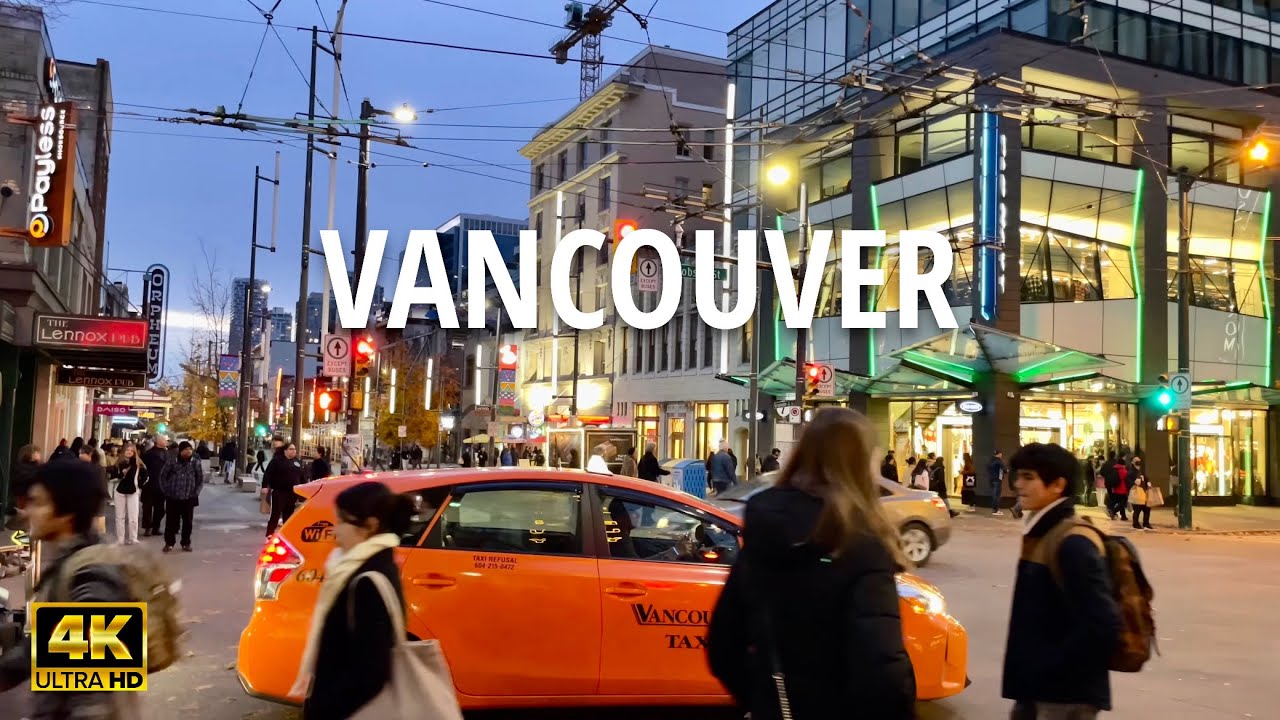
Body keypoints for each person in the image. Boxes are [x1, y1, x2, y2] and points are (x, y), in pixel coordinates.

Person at [707, 408, 916, 719]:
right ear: (860, 462)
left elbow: (723, 644)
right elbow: (882, 669)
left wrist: (763, 699)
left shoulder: (764, 529)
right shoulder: (860, 541)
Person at [0, 459, 142, 719]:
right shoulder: (71, 563)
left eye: (39, 503)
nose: (28, 511)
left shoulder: (94, 575)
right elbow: (46, 645)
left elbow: (94, 688)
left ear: (66, 514)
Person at [1003, 443, 1121, 719]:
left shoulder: (1072, 542)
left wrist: (1048, 666)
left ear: (1057, 484)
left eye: (1028, 477)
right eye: (1018, 476)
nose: (1018, 485)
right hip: (1041, 691)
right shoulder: (1044, 532)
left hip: (1063, 698)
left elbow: (1103, 624)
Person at [290, 481, 414, 720]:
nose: (336, 530)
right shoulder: (355, 566)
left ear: (369, 526)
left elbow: (372, 672)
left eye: (342, 521)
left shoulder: (368, 579)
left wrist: (326, 708)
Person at [159, 441, 203, 552]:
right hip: (173, 497)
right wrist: (166, 491)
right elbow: (163, 476)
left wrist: (195, 492)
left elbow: (200, 479)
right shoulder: (172, 462)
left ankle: (186, 542)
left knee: (187, 522)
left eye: (190, 449)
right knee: (171, 522)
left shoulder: (195, 463)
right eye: (185, 449)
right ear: (180, 450)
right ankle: (169, 543)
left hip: (189, 497)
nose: (188, 452)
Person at [264, 443, 305, 536]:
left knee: (288, 516)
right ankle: (269, 534)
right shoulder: (277, 461)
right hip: (279, 492)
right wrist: (264, 486)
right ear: (285, 451)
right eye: (291, 449)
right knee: (275, 515)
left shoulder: (297, 462)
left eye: (294, 449)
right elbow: (268, 474)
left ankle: (286, 536)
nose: (293, 451)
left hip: (292, 493)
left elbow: (302, 476)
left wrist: (304, 490)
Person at [110, 443, 147, 545]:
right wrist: (121, 474)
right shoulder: (118, 463)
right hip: (119, 492)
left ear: (134, 452)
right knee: (119, 517)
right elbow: (112, 477)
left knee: (133, 517)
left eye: (131, 450)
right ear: (124, 451)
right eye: (127, 450)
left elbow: (145, 476)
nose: (129, 452)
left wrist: (139, 485)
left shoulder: (138, 464)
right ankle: (120, 539)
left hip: (133, 492)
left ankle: (133, 537)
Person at [140, 435, 171, 537]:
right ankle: (148, 527)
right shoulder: (149, 454)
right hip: (149, 484)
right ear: (158, 442)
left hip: (162, 485)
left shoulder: (167, 454)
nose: (166, 441)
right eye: (163, 440)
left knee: (160, 509)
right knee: (147, 508)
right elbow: (143, 468)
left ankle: (156, 526)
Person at [989, 450, 1007, 516]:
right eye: (1001, 454)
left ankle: (994, 510)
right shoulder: (999, 461)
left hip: (991, 479)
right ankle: (995, 510)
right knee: (997, 495)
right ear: (999, 454)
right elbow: (1005, 469)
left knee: (994, 494)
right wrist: (1006, 470)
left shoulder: (990, 461)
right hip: (997, 479)